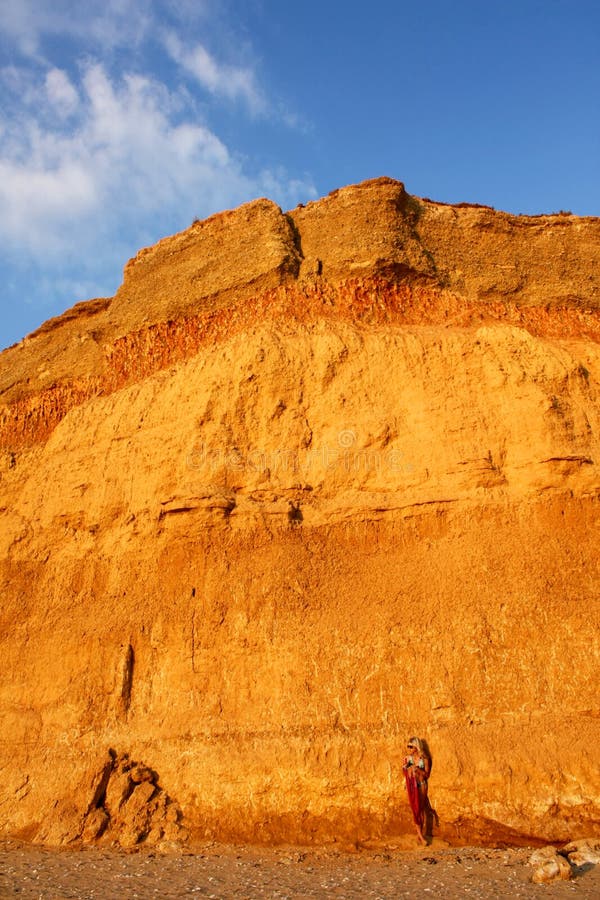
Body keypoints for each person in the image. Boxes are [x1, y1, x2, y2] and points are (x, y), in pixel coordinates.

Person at [402, 736, 436, 845]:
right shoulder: (408, 759)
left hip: (421, 785)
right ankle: (421, 836)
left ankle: (420, 835)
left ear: (416, 747)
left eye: (411, 746)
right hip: (412, 786)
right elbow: (404, 773)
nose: (409, 748)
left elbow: (427, 774)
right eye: (408, 746)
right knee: (415, 809)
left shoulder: (425, 758)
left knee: (421, 809)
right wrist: (407, 768)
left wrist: (417, 769)